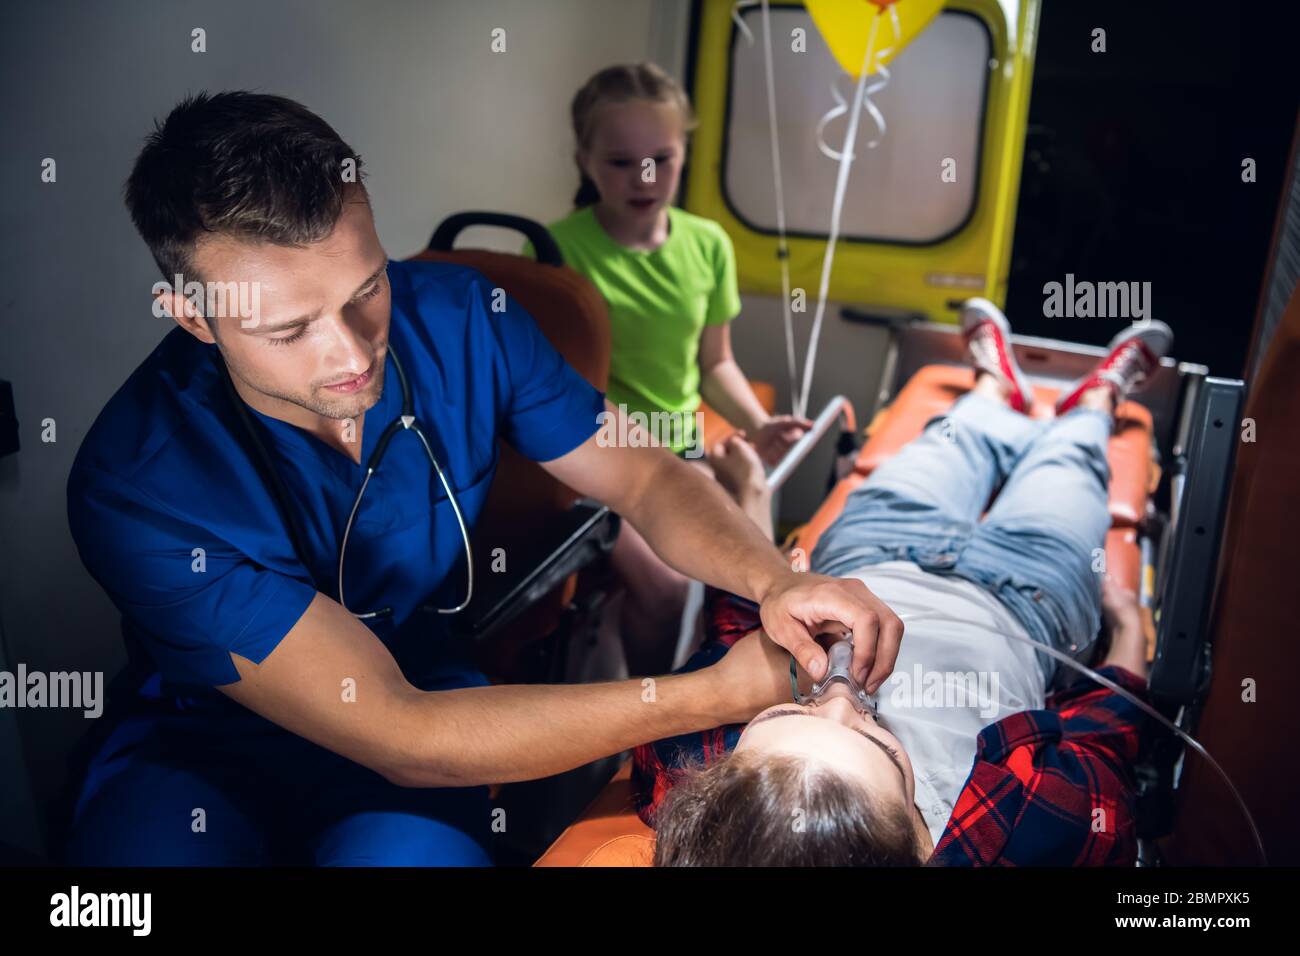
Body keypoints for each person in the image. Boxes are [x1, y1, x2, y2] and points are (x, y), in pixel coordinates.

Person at [63, 91, 901, 866]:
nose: (355, 355)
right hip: (207, 742)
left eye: (367, 288)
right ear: (193, 318)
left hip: (426, 684)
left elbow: (644, 474)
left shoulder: (464, 317)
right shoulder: (136, 481)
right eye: (290, 330)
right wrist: (712, 695)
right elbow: (400, 733)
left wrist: (774, 580)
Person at [634, 300, 1172, 866]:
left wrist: (753, 499)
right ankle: (1098, 400)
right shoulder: (1036, 830)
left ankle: (993, 385)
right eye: (875, 740)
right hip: (1028, 602)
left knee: (953, 439)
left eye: (790, 711)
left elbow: (740, 618)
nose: (843, 691)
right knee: (1072, 460)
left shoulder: (690, 763)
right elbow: (1105, 737)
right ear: (919, 843)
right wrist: (1130, 624)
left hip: (870, 552)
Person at [536, 62, 813, 673]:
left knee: (744, 568)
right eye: (619, 161)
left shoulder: (708, 244)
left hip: (681, 448)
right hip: (598, 452)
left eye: (662, 159)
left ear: (685, 153)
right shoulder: (554, 253)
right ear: (584, 160)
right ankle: (649, 713)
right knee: (667, 587)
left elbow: (714, 363)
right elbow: (544, 391)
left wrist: (759, 423)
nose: (644, 178)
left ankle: (666, 677)